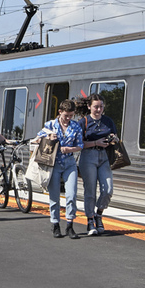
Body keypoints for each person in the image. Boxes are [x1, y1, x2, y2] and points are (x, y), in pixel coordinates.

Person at [47, 99, 88, 238]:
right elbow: (36, 140)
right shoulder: (51, 125)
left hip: (69, 162)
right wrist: (48, 137)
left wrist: (70, 149)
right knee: (54, 196)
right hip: (54, 163)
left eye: (71, 115)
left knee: (71, 194)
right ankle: (55, 224)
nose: (68, 118)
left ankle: (70, 225)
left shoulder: (75, 126)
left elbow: (80, 145)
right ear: (60, 112)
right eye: (66, 115)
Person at [80, 95, 120, 235]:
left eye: (101, 106)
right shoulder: (83, 122)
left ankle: (99, 213)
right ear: (89, 107)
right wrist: (96, 142)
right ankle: (90, 221)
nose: (99, 109)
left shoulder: (108, 121)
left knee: (108, 189)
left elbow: (116, 137)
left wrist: (113, 139)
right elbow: (78, 144)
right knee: (90, 191)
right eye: (96, 106)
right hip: (88, 156)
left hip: (104, 156)